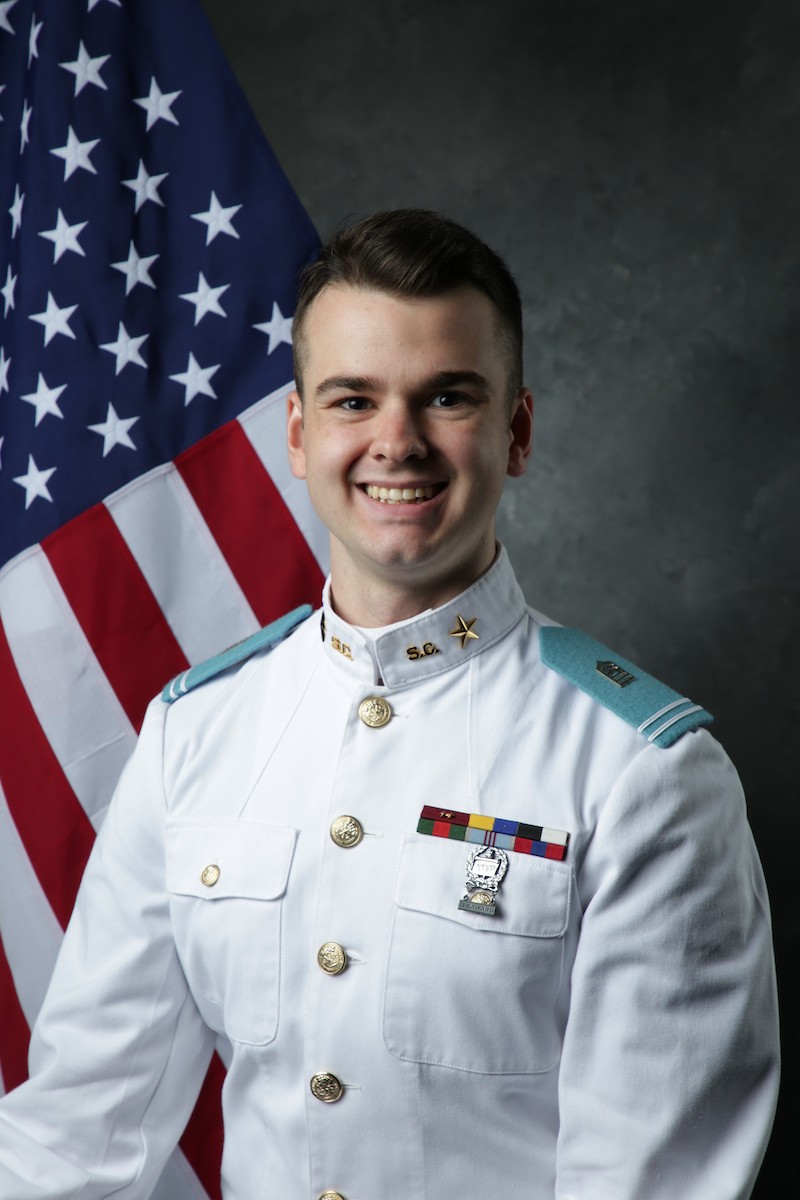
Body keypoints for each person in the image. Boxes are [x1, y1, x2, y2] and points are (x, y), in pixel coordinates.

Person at [0, 209, 779, 1199]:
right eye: (351, 400)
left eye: (445, 397)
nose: (395, 443)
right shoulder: (195, 736)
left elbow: (652, 1183)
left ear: (517, 430)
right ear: (297, 433)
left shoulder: (642, 773)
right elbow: (73, 1139)